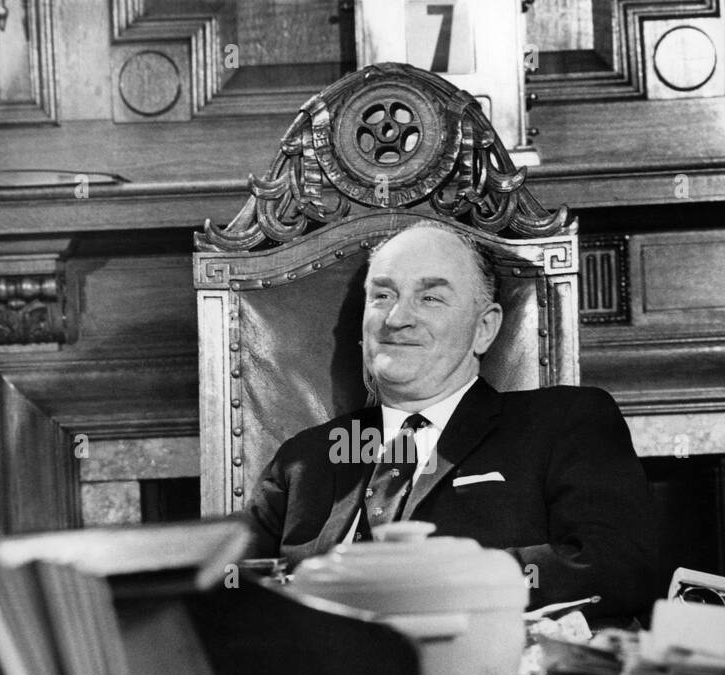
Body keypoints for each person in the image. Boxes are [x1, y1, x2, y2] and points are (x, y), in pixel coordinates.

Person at [244, 222, 660, 619]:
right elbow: (231, 592)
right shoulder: (304, 459)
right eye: (382, 296)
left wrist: (439, 585)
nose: (396, 319)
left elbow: (618, 566)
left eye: (430, 298)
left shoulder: (563, 423)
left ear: (484, 328)